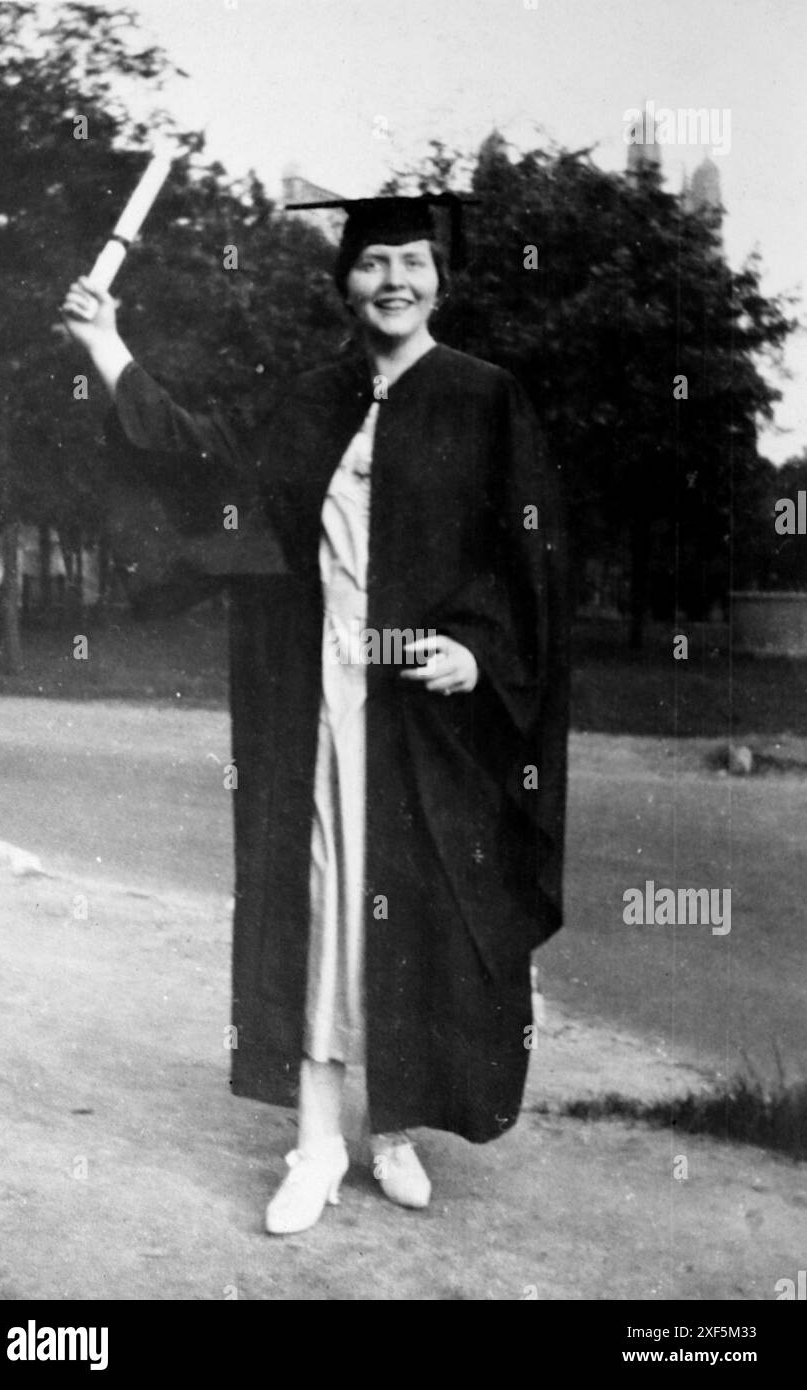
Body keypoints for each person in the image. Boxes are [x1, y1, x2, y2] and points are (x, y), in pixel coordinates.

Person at [61, 193, 570, 1236]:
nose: (394, 280)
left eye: (413, 262)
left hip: (429, 721)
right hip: (322, 700)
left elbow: (530, 565)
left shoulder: (484, 398)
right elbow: (208, 472)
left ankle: (395, 1128)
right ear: (344, 279)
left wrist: (481, 654)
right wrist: (107, 347)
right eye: (374, 261)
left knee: (421, 912)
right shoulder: (310, 399)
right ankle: (317, 1139)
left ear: (441, 278)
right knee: (326, 912)